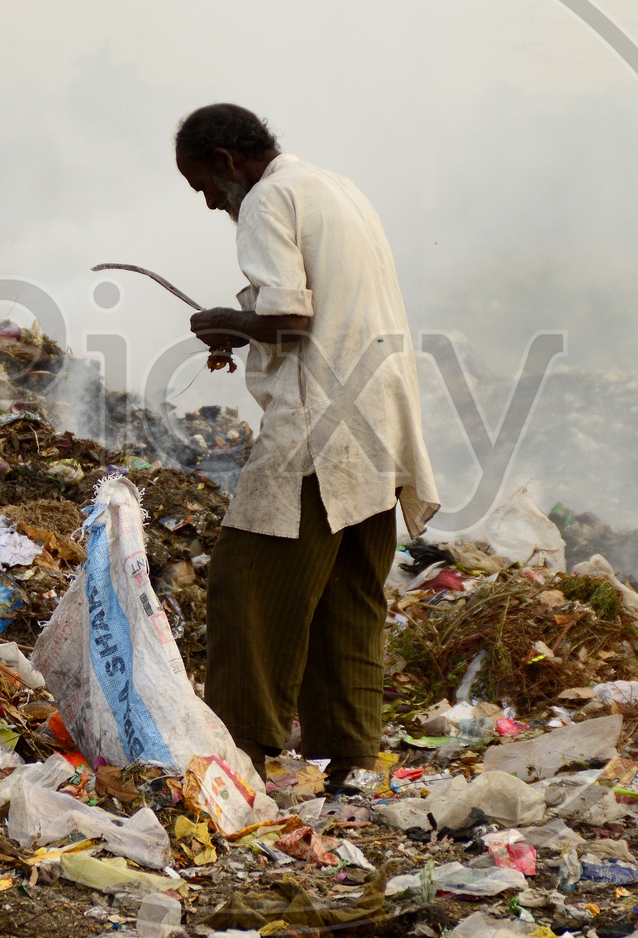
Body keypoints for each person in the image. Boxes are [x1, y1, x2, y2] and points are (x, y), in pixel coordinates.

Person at [174, 103, 440, 793]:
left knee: (246, 582)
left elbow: (292, 318)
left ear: (228, 164)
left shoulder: (267, 198)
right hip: (381, 413)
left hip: (323, 418)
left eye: (205, 186)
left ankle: (242, 751)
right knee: (346, 590)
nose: (210, 204)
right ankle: (351, 754)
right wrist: (245, 330)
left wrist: (227, 320)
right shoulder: (336, 189)